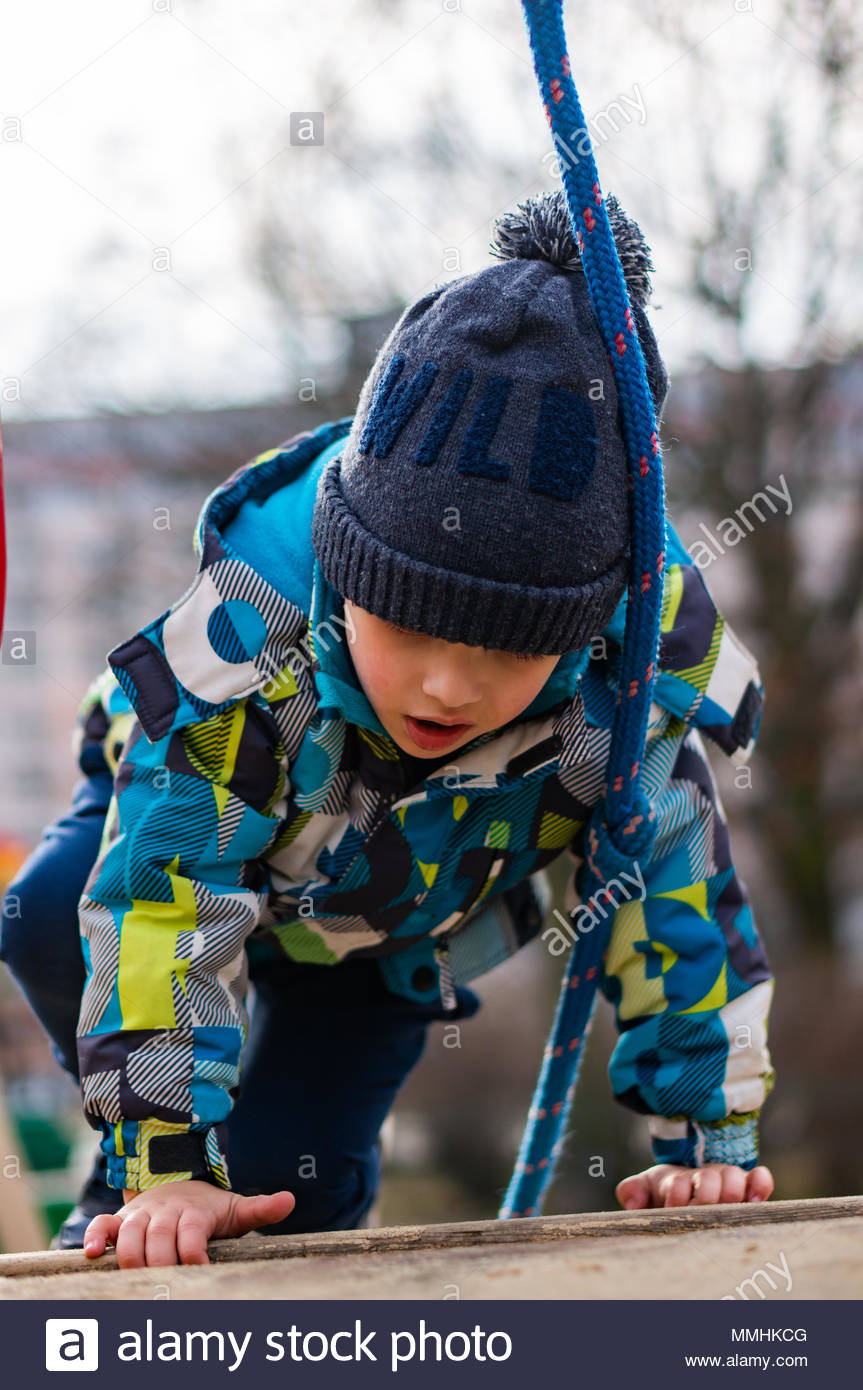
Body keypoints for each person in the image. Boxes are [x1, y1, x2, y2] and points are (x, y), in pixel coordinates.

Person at [0, 190, 775, 1269]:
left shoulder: (623, 702)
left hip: (383, 931)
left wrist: (704, 1136)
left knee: (292, 1187)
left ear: (580, 634)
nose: (446, 686)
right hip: (192, 838)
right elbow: (160, 895)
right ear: (344, 574)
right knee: (46, 909)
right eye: (406, 629)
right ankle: (136, 1161)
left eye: (508, 652)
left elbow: (676, 910)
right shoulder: (249, 665)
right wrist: (168, 1161)